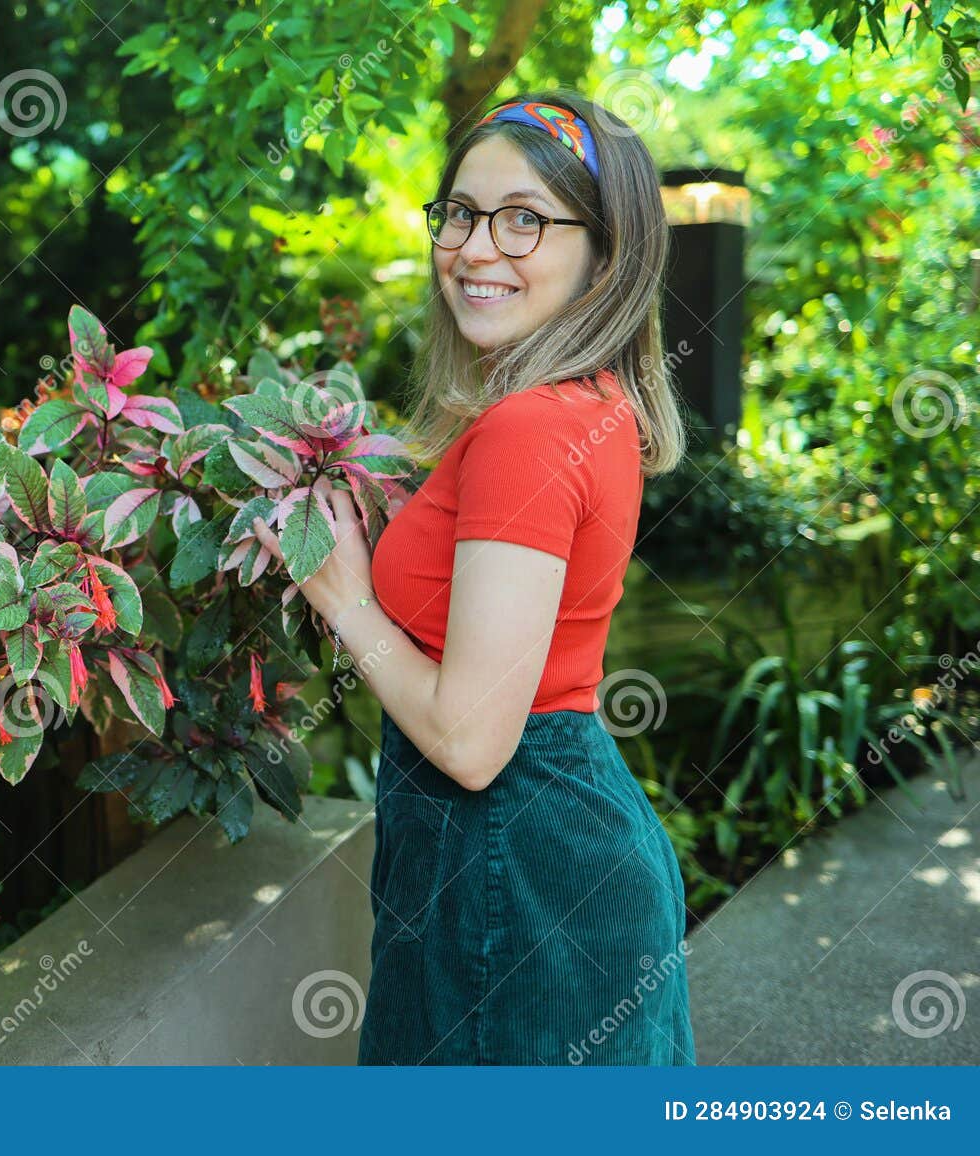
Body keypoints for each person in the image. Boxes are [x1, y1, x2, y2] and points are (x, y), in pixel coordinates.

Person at [253, 89, 694, 1065]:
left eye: (524, 219)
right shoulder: (580, 404)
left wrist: (348, 598)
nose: (474, 245)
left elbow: (469, 740)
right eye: (458, 211)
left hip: (513, 870)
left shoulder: (530, 430)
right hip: (533, 855)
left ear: (604, 255)